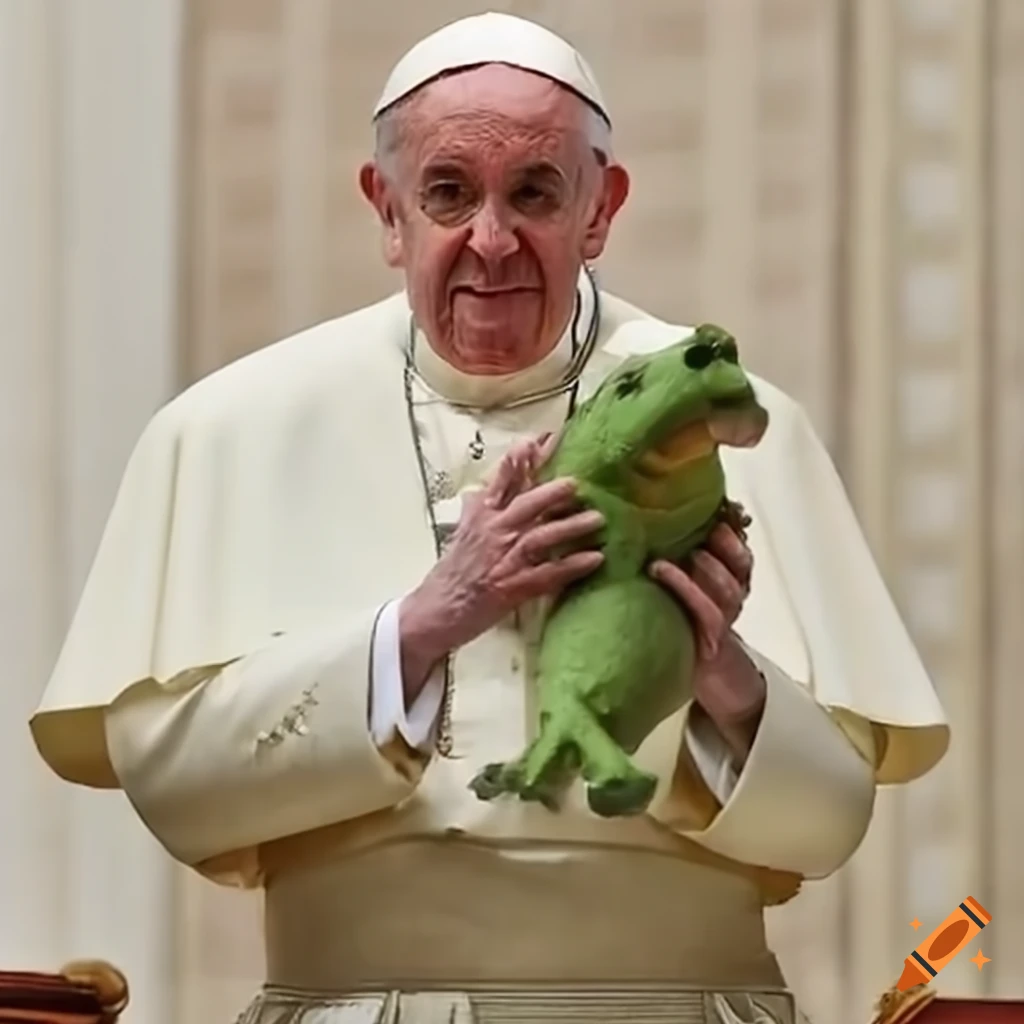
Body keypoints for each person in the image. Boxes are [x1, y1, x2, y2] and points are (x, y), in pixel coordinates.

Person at [30, 12, 949, 1024]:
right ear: (387, 210)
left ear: (601, 209)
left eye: (536, 193)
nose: (492, 239)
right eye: (448, 193)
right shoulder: (230, 426)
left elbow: (828, 824)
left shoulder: (724, 416)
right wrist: (420, 627)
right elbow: (172, 787)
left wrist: (721, 673)